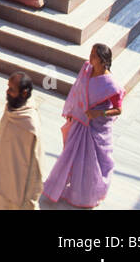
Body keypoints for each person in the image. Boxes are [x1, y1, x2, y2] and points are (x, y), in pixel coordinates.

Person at [43, 43, 124, 208]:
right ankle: (58, 186)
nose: (90, 57)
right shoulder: (87, 70)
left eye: (94, 55)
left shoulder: (111, 85)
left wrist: (98, 114)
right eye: (91, 53)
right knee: (70, 155)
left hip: (96, 127)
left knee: (92, 162)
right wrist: (74, 111)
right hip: (80, 121)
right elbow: (77, 90)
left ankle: (88, 194)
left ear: (102, 60)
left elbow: (118, 110)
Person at [0, 73, 45, 210]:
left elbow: (36, 165)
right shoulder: (9, 109)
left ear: (24, 93)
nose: (7, 92)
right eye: (8, 87)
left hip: (17, 192)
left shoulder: (30, 123)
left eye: (11, 89)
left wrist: (30, 197)